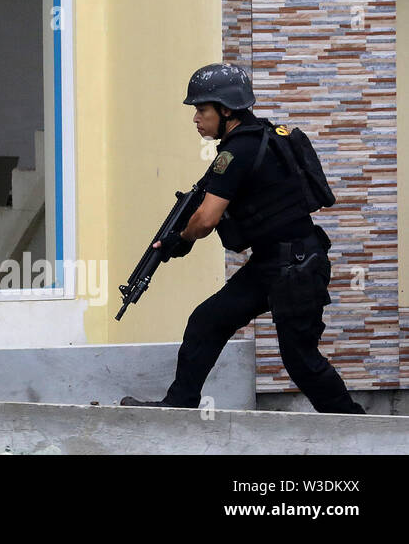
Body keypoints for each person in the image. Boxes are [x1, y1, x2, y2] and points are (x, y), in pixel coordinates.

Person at [121, 63, 365, 414]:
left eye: (201, 110)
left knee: (300, 359)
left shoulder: (236, 152)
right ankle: (180, 403)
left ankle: (355, 427)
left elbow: (206, 218)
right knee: (208, 320)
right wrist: (182, 237)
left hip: (296, 265)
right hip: (275, 262)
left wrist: (182, 239)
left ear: (226, 109)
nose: (195, 119)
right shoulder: (257, 136)